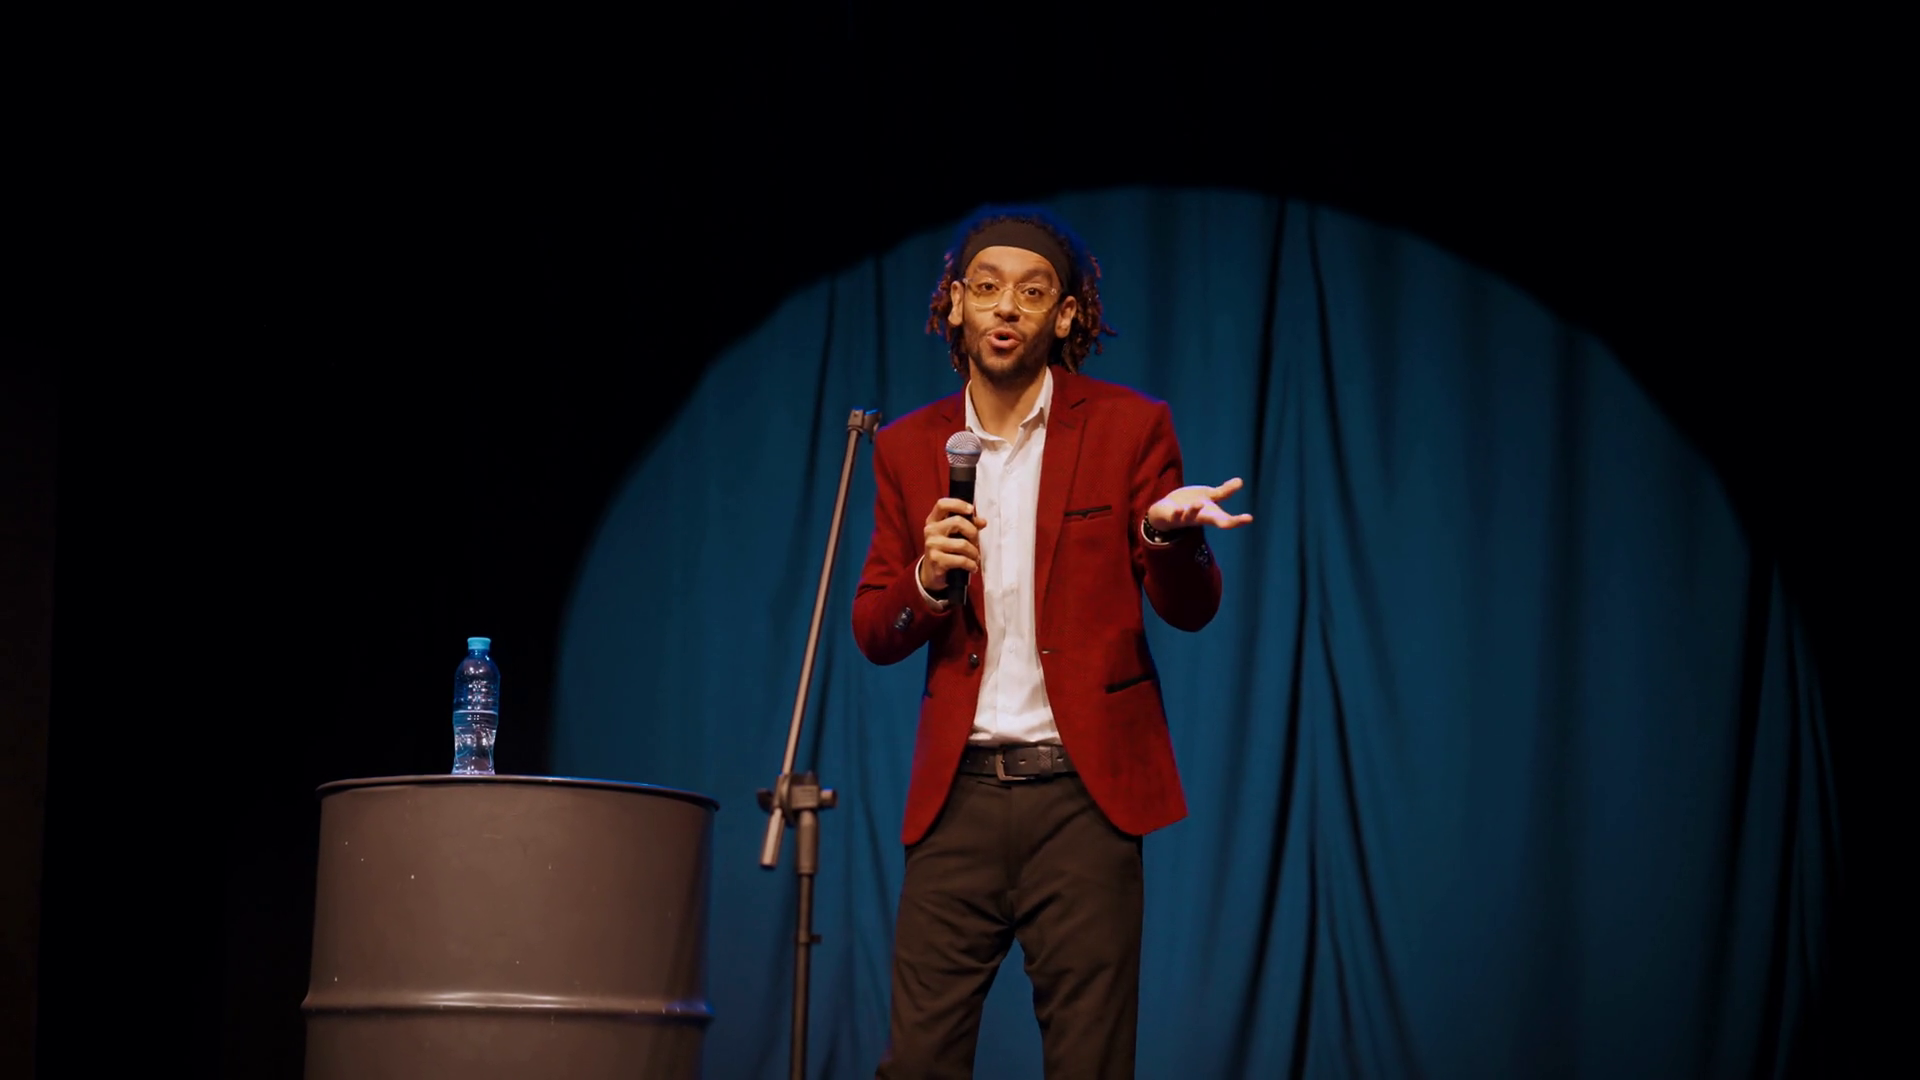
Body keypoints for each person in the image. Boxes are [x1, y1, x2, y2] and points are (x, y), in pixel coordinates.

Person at [850, 205, 1254, 1078]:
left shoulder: (1129, 428)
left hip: (1084, 799)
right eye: (987, 288)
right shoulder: (908, 446)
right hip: (955, 801)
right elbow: (874, 628)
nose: (1007, 308)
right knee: (916, 1062)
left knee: (1090, 1063)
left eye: (1033, 293)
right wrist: (926, 582)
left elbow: (1191, 610)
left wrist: (1169, 536)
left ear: (1066, 315)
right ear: (955, 304)